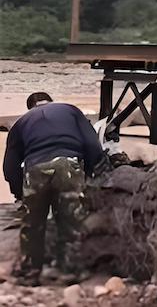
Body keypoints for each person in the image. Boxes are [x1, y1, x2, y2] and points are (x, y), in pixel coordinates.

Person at [3, 92, 106, 285]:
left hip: (35, 168)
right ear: (51, 102)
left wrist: (19, 193)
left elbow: (10, 166)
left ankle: (30, 274)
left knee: (33, 224)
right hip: (68, 163)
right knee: (71, 220)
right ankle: (72, 271)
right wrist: (92, 173)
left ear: (30, 107)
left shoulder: (21, 123)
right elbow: (92, 144)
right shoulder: (70, 110)